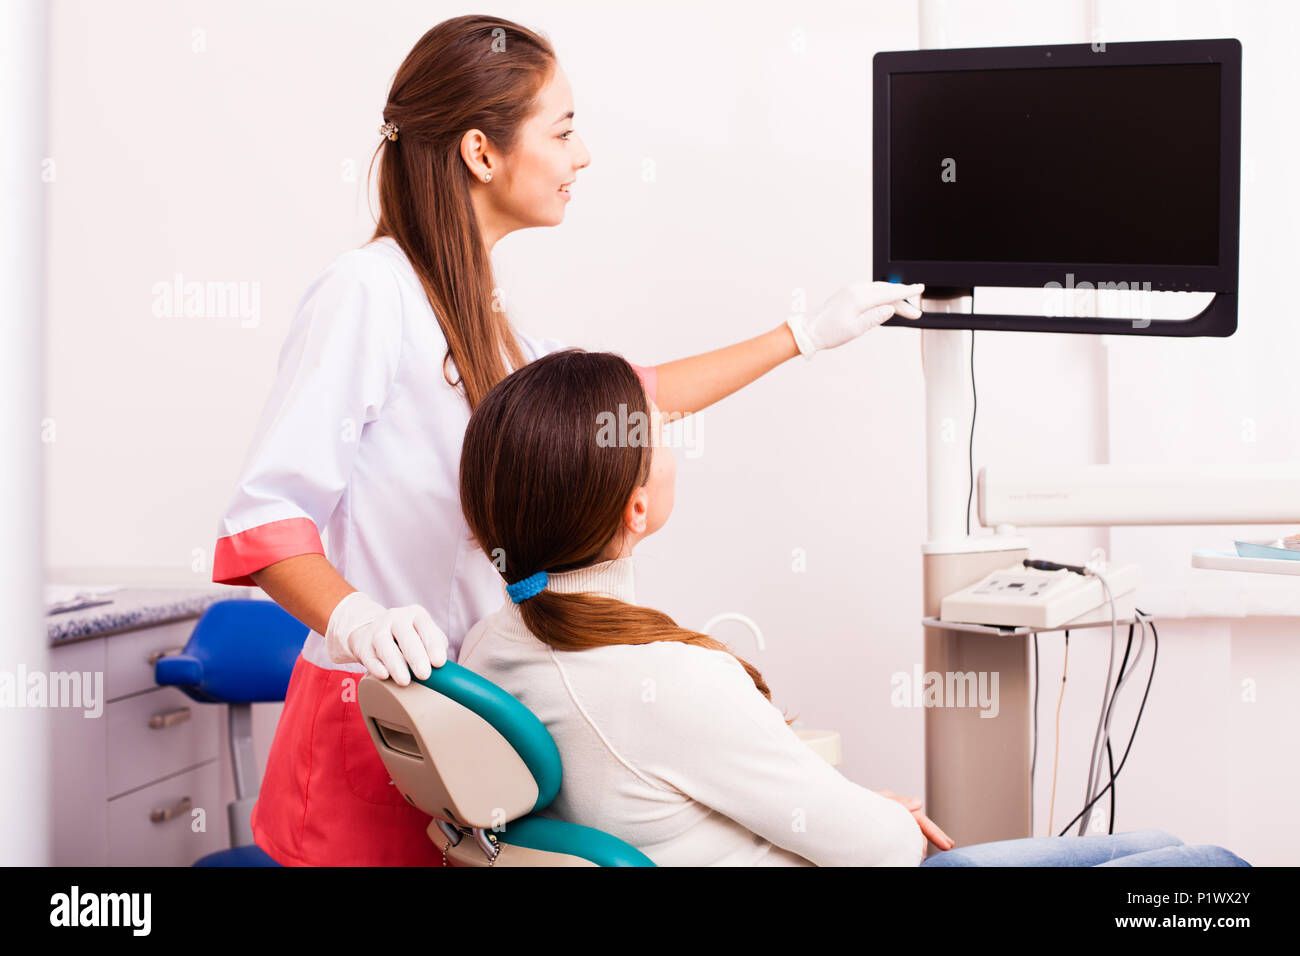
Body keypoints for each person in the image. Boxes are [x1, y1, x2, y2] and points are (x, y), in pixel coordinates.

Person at [211, 15, 923, 866]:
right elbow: (265, 515)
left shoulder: (483, 302)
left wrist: (802, 335)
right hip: (383, 727)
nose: (581, 156)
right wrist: (355, 616)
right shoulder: (366, 294)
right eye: (565, 129)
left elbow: (620, 404)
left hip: (477, 725)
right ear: (482, 152)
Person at [457, 349, 1250, 867]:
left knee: (1160, 847)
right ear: (634, 511)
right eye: (655, 427)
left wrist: (843, 808)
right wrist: (867, 815)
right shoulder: (664, 679)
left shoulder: (494, 645)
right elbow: (883, 851)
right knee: (1206, 870)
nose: (669, 429)